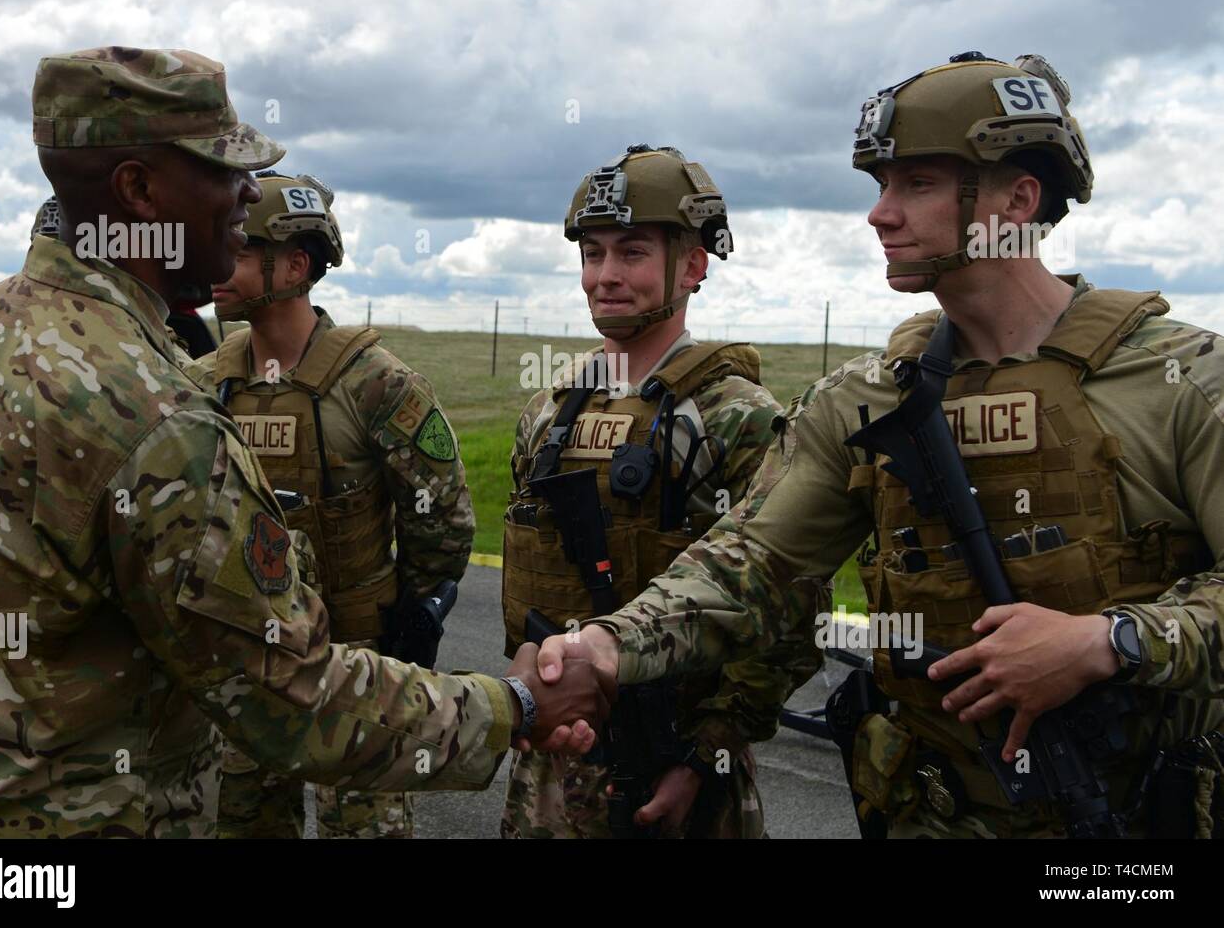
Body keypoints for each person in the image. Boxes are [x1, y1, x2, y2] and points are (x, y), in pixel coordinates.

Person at [0, 46, 608, 839]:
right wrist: (516, 704)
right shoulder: (160, 415)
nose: (248, 192)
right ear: (139, 191)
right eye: (223, 169)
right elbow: (290, 697)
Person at [535, 53, 1224, 838]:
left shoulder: (1180, 379)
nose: (879, 214)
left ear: (1016, 199)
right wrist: (602, 648)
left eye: (917, 185)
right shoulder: (863, 400)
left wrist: (1110, 641)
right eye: (881, 186)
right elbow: (750, 565)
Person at [501, 145, 824, 838]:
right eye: (592, 254)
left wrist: (708, 750)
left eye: (632, 253)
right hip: (554, 763)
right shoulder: (549, 414)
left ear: (695, 265)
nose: (605, 277)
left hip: (680, 764)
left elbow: (792, 603)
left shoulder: (735, 415)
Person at [186, 170, 474, 839]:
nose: (216, 262)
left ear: (295, 263)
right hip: (246, 668)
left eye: (237, 246)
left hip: (359, 668)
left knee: (367, 826)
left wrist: (400, 620)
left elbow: (442, 520)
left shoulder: (377, 384)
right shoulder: (202, 383)